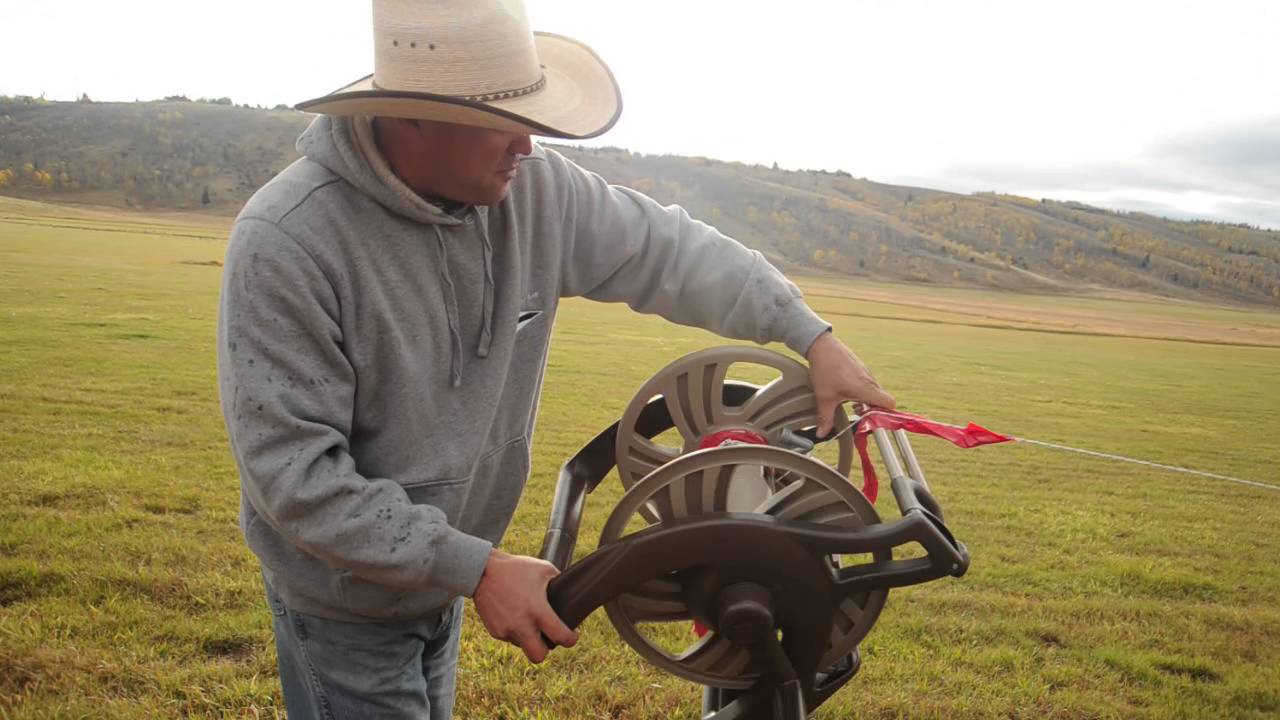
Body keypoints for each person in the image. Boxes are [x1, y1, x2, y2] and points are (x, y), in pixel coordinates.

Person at [216, 1, 896, 717]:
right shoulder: (289, 241)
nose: (531, 146)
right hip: (341, 606)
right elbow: (295, 477)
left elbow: (666, 249)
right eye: (504, 120)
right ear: (413, 115)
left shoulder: (534, 192)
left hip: (438, 580)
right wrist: (475, 568)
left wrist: (808, 333)